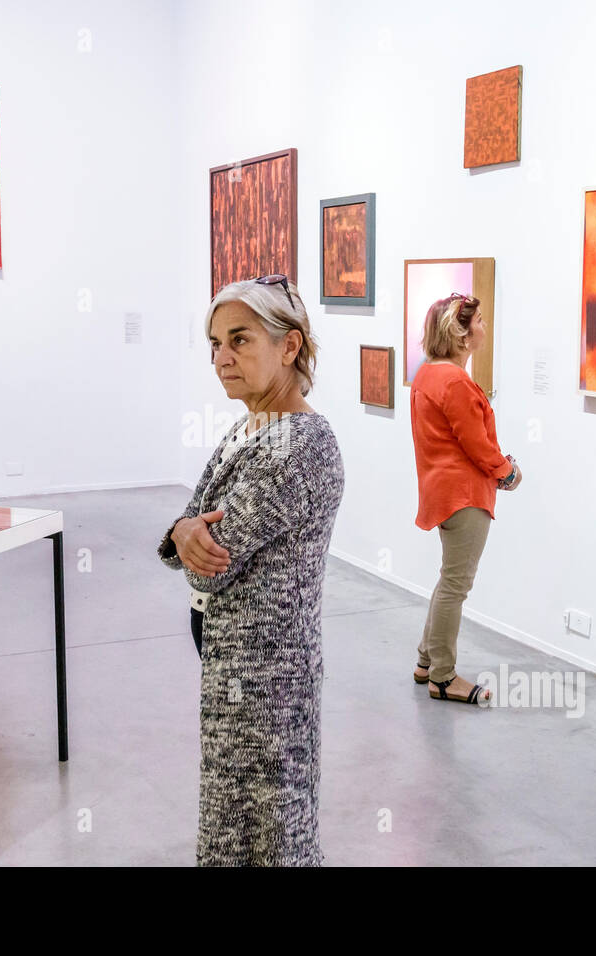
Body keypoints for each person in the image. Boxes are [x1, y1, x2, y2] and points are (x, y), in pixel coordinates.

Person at [158, 275, 344, 866]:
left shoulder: (299, 445)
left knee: (271, 831)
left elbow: (208, 567)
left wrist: (188, 535)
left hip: (268, 675)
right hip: (238, 665)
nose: (221, 358)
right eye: (215, 343)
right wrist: (183, 533)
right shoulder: (251, 426)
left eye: (239, 340)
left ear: (289, 347)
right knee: (236, 821)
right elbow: (185, 531)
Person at [409, 292, 521, 704]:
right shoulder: (454, 381)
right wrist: (508, 471)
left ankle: (426, 661)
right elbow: (476, 444)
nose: (484, 328)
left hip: (443, 489)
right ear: (461, 332)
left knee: (448, 580)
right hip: (464, 495)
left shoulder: (427, 374)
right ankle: (443, 677)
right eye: (479, 322)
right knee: (456, 585)